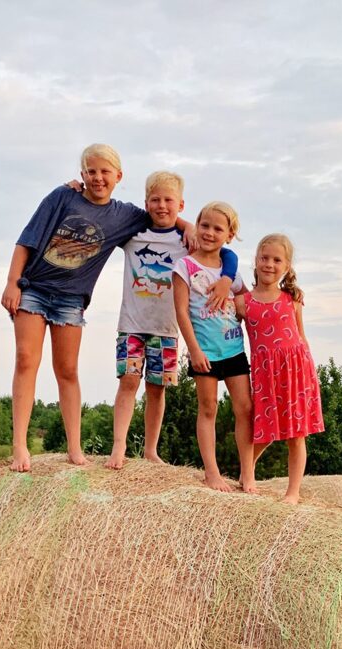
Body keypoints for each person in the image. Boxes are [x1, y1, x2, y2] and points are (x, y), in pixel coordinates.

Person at [1, 145, 190, 473]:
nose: (98, 178)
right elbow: (26, 241)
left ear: (119, 176)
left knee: (68, 370)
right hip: (33, 289)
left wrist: (187, 226)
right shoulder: (62, 197)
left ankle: (74, 447)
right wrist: (11, 283)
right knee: (26, 360)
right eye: (91, 171)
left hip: (71, 299)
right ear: (82, 174)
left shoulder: (125, 216)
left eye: (105, 172)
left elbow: (162, 214)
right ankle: (20, 446)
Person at [107, 172, 238, 470]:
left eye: (168, 200)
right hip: (131, 324)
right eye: (155, 200)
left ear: (181, 204)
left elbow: (226, 253)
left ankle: (150, 450)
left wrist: (227, 276)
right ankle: (119, 447)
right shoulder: (132, 234)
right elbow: (108, 213)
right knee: (128, 381)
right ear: (146, 203)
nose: (161, 206)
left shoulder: (187, 241)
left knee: (157, 388)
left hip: (167, 328)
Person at [234, 234, 324, 505]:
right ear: (256, 261)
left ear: (286, 266)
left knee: (296, 435)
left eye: (276, 260)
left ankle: (293, 492)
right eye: (264, 258)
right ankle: (246, 473)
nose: (269, 264)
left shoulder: (292, 299)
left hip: (296, 371)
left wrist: (311, 373)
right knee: (266, 429)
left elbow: (302, 337)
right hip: (265, 373)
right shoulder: (243, 303)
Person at [172, 202, 255, 494]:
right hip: (204, 351)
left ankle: (248, 475)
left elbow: (245, 301)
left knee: (244, 410)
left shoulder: (230, 271)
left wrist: (232, 288)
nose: (209, 232)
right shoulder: (185, 266)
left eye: (218, 228)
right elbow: (181, 312)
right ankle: (212, 473)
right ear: (198, 225)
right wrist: (193, 351)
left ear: (229, 235)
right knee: (207, 409)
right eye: (204, 225)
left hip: (234, 349)